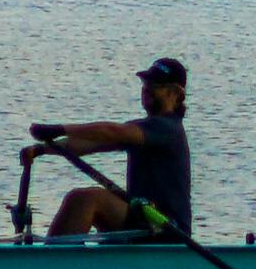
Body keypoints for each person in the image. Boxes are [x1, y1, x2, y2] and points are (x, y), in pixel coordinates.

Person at [34, 59, 193, 240]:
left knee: (85, 199)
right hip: (144, 217)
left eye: (156, 85)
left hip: (167, 228)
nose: (147, 89)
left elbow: (111, 131)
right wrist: (40, 149)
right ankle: (58, 260)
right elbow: (86, 143)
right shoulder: (143, 130)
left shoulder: (167, 128)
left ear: (175, 95)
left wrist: (60, 129)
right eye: (145, 83)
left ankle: (52, 262)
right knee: (80, 198)